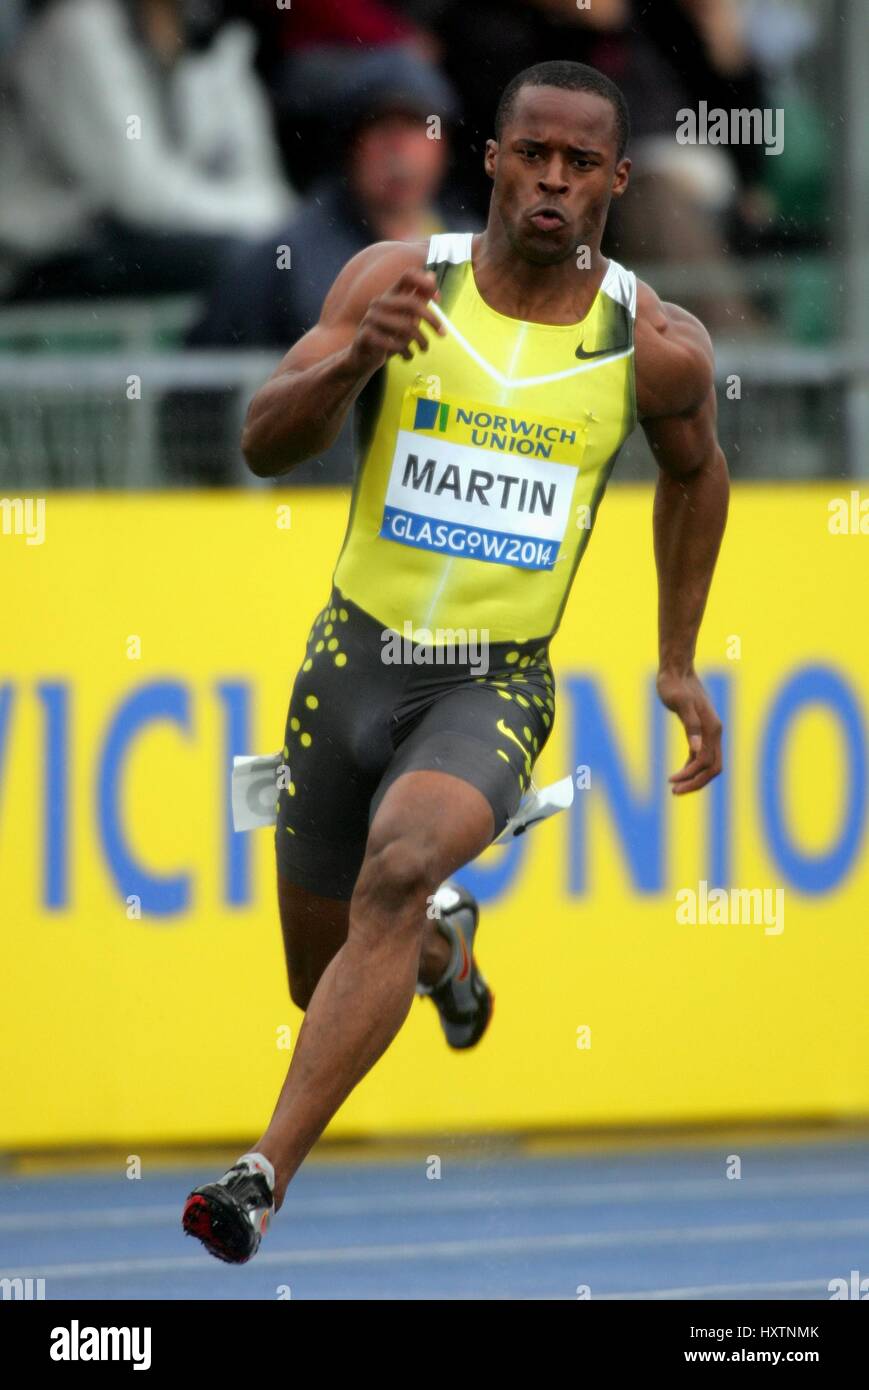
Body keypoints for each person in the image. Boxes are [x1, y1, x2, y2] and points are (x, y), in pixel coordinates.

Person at [182, 59, 729, 1264]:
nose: (550, 178)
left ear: (615, 181)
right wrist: (348, 363)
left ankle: (259, 1172)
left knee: (400, 858)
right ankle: (444, 948)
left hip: (492, 680)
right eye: (530, 151)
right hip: (351, 663)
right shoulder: (396, 281)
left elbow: (696, 475)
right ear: (488, 156)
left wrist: (676, 658)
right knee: (318, 973)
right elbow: (263, 443)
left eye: (579, 162)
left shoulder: (653, 345)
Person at [184, 48, 469, 486]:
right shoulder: (283, 257)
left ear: (443, 142)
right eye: (380, 128)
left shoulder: (477, 247)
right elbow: (202, 406)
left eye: (417, 127)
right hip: (303, 502)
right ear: (349, 144)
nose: (399, 148)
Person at [0, 0, 293, 300]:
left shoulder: (214, 32)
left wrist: (275, 221)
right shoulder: (80, 28)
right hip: (48, 254)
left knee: (285, 256)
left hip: (146, 237)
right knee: (246, 260)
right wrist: (269, 220)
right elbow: (141, 197)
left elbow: (259, 174)